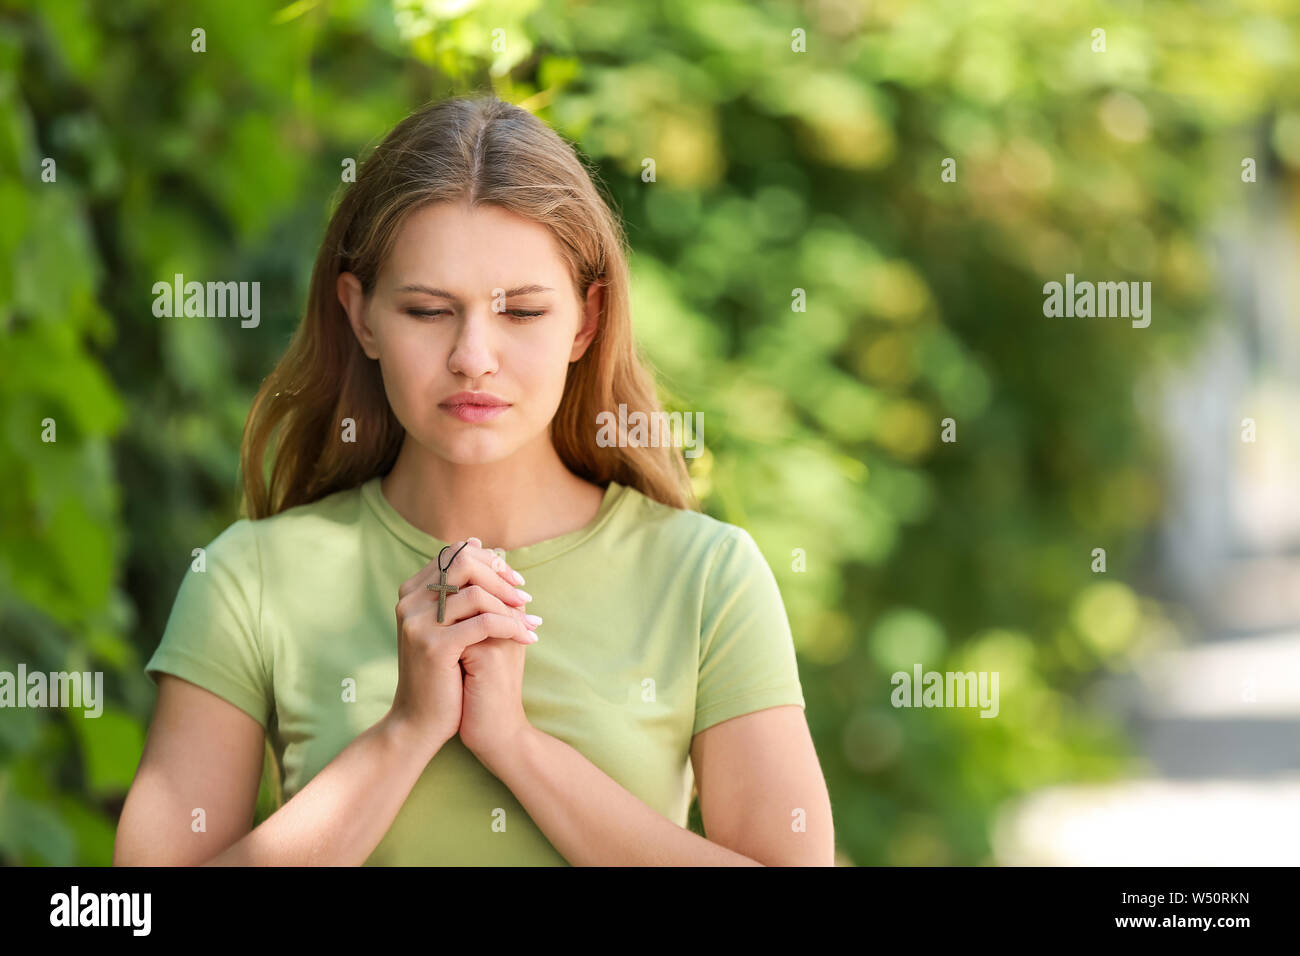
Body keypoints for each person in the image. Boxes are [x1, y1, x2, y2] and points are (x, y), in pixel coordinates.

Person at [114, 94, 834, 866]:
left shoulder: (707, 577)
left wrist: (515, 745)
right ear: (361, 317)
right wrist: (404, 731)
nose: (473, 357)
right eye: (428, 311)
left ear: (586, 323)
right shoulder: (245, 579)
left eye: (522, 312)